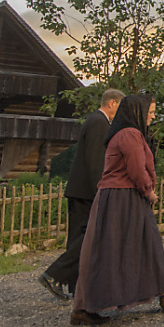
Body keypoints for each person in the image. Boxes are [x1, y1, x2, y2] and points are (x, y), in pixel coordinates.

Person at [70, 93, 164, 325]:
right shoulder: (129, 134)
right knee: (111, 250)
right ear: (137, 112)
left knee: (147, 244)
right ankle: (85, 307)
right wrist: (149, 191)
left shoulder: (127, 133)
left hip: (124, 196)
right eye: (150, 112)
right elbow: (136, 168)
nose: (152, 116)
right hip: (122, 197)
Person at [39, 88, 124, 300]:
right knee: (88, 238)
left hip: (80, 189)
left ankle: (73, 286)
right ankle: (54, 274)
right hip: (87, 191)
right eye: (119, 106)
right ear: (112, 103)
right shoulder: (98, 122)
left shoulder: (95, 120)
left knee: (79, 238)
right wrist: (101, 189)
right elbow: (96, 161)